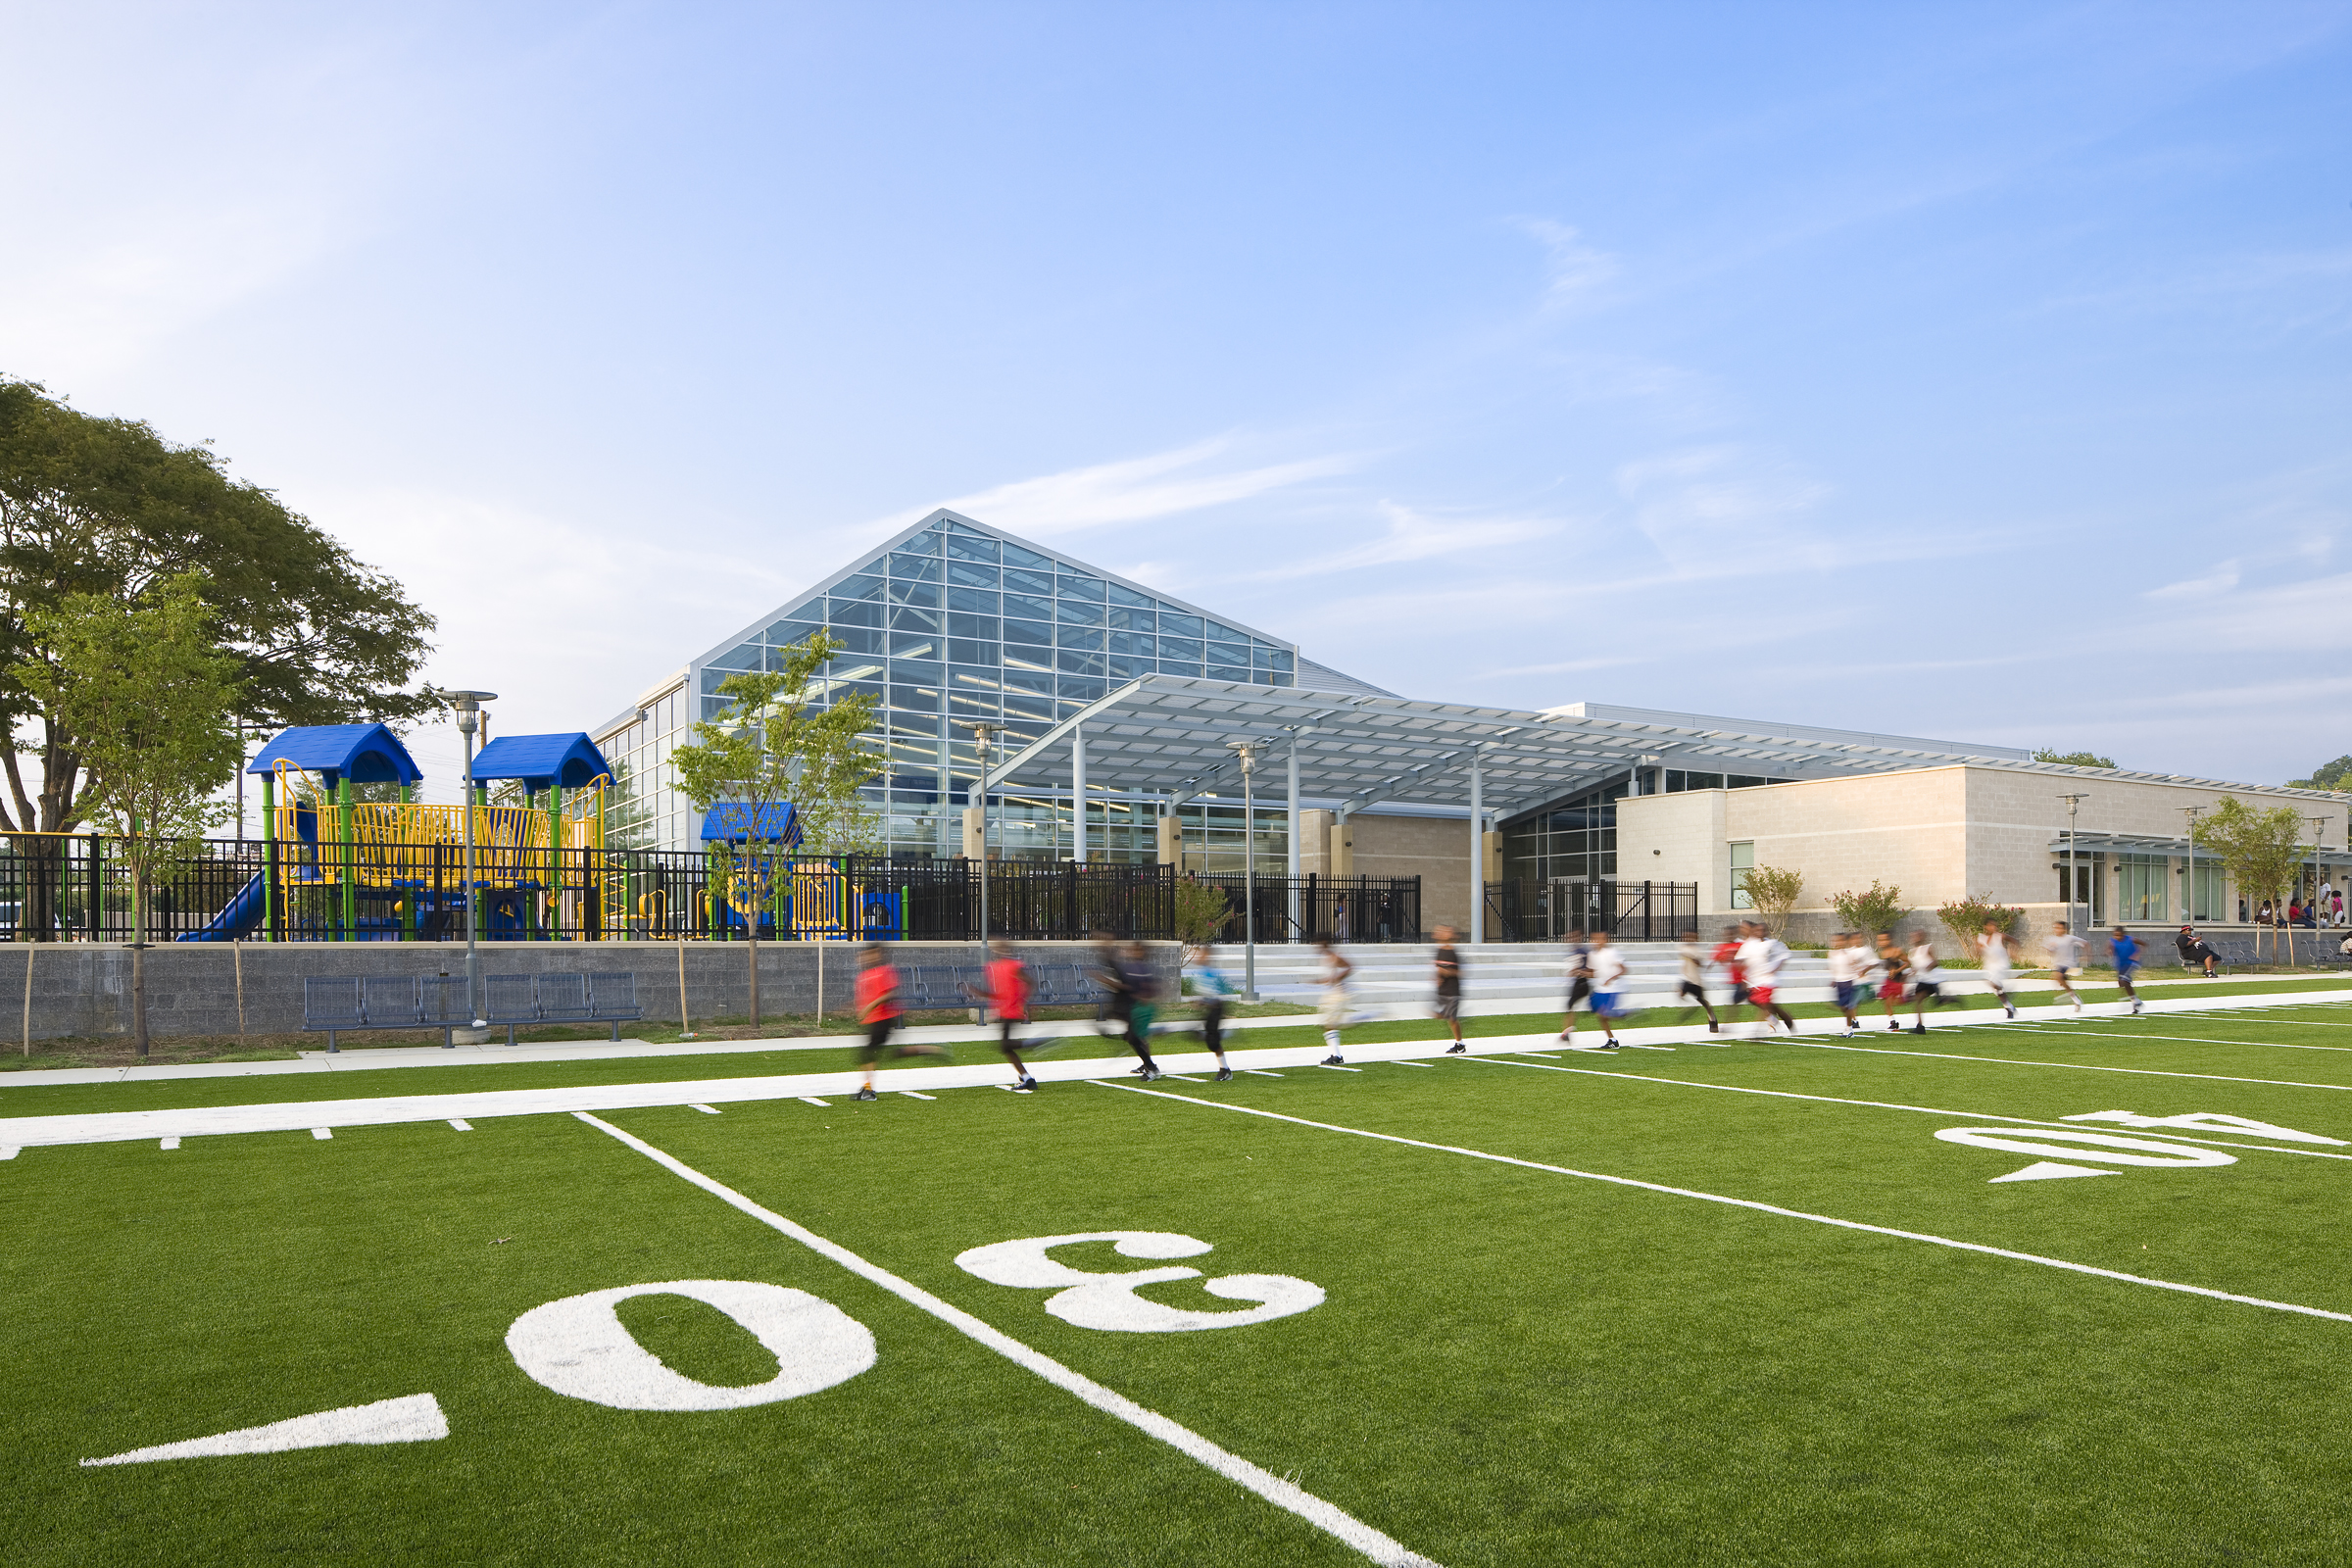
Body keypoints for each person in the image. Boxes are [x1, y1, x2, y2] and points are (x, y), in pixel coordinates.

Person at [853, 944, 949, 1101]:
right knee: (895, 1053)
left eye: (871, 954)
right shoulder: (866, 974)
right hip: (872, 1019)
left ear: (878, 954)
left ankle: (868, 1090)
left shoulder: (885, 970)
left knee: (867, 1054)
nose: (867, 957)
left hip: (884, 1018)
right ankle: (933, 1049)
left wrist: (869, 1007)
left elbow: (890, 993)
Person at [966, 939, 1041, 1092]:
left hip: (1013, 1010)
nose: (998, 949)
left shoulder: (1014, 966)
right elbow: (999, 994)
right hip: (1003, 1010)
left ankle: (1033, 1045)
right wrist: (980, 993)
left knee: (1005, 1046)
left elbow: (1031, 982)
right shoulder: (994, 967)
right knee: (1006, 1047)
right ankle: (1027, 1078)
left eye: (1002, 947)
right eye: (997, 947)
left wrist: (1026, 1003)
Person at [1092, 936, 1163, 1081]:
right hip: (1133, 1006)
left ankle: (1151, 1067)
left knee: (1135, 1037)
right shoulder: (1134, 967)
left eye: (1136, 950)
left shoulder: (1140, 968)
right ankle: (1149, 1065)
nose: (1132, 952)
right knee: (1135, 1037)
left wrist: (1106, 981)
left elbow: (1129, 985)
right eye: (1132, 949)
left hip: (1141, 1008)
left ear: (1143, 952)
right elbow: (1119, 971)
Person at [1182, 943, 1237, 1081]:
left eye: (1203, 954)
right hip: (1211, 1008)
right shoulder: (1202, 973)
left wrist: (1206, 1002)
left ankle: (1225, 1070)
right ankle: (1221, 1035)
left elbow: (1218, 995)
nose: (1199, 957)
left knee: (1212, 1041)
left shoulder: (1211, 973)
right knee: (1208, 1037)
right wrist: (1201, 1002)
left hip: (1217, 1008)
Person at [1737, 920, 1797, 1037]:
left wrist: (1776, 968)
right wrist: (1742, 971)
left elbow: (1785, 954)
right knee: (1756, 1001)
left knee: (1764, 1004)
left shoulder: (1773, 944)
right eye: (1757, 930)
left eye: (1763, 930)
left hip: (1769, 980)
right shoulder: (1749, 945)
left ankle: (1757, 1033)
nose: (1760, 932)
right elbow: (1740, 959)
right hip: (1754, 979)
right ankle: (1785, 1017)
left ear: (1767, 932)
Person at [1587, 930, 1629, 1048]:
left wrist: (1610, 979)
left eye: (1599, 939)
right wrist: (1581, 973)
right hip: (1599, 989)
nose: (1596, 942)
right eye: (1593, 939)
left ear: (1605, 940)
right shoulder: (1592, 955)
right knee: (1600, 1015)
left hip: (1612, 989)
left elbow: (1624, 969)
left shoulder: (1611, 953)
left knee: (1603, 1015)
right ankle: (1612, 1040)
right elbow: (1594, 973)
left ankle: (1622, 1014)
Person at [1674, 928, 1722, 1033]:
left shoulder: (1697, 950)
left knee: (1703, 1002)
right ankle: (1689, 1007)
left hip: (1696, 981)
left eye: (1690, 937)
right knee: (1680, 992)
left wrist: (1692, 957)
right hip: (1687, 978)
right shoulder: (1682, 948)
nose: (1688, 939)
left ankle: (1713, 1020)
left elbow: (1700, 963)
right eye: (1686, 936)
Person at [1315, 937, 1352, 1065]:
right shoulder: (1327, 957)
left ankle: (1337, 1056)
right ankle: (1336, 1055)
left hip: (1338, 994)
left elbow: (1349, 967)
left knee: (1329, 1024)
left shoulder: (1334, 956)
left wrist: (1336, 978)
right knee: (1327, 1024)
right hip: (1333, 993)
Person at [1432, 925, 1467, 1053]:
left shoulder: (1452, 953)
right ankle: (1459, 1025)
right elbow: (1438, 968)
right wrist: (1438, 977)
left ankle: (1460, 1045)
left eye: (1444, 931)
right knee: (1440, 1015)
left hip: (1452, 990)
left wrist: (1445, 972)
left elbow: (1459, 972)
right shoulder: (1439, 951)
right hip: (1442, 990)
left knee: (1452, 1018)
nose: (1440, 933)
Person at [1826, 931, 1866, 1037]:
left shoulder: (1850, 954)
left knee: (1847, 1006)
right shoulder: (1831, 954)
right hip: (1839, 983)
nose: (1837, 943)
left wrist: (1859, 973)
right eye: (1835, 940)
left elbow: (1857, 965)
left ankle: (1849, 1028)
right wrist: (1834, 979)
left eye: (1840, 940)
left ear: (1845, 941)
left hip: (1848, 982)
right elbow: (1834, 968)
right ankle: (1849, 1024)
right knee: (1843, 1007)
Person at [1977, 918, 2018, 1020]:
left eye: (1995, 925)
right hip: (1990, 966)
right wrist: (1978, 949)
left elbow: (2015, 941)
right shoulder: (1981, 938)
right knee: (1996, 989)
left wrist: (2012, 951)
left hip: (2002, 964)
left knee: (1993, 982)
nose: (1994, 928)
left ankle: (2006, 993)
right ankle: (2009, 1007)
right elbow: (1977, 953)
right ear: (1985, 927)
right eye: (1991, 925)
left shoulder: (2000, 936)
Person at [1557, 928, 1592, 1043]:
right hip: (1578, 982)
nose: (1570, 939)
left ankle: (1566, 1033)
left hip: (1582, 982)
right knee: (1570, 1006)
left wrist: (1578, 971)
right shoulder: (1576, 950)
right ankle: (1566, 1033)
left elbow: (1589, 968)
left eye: (1573, 937)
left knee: (1570, 1005)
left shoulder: (1583, 951)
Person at [1906, 930, 1944, 1033]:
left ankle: (1920, 1026)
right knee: (1918, 1000)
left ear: (1922, 937)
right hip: (1923, 980)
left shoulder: (1927, 948)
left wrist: (1928, 967)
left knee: (1918, 1000)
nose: (1914, 938)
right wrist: (1908, 974)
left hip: (1932, 980)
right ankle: (1920, 1026)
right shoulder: (1912, 952)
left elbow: (1936, 962)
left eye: (1917, 936)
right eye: (1913, 936)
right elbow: (1915, 967)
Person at [2047, 920, 2086, 1013]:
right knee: (2059, 979)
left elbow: (2085, 943)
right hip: (2058, 963)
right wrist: (2051, 948)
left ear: (2065, 929)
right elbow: (2050, 952)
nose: (2057, 930)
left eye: (2060, 928)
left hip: (2068, 962)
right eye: (2056, 928)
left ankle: (2061, 992)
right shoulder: (2052, 939)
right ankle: (2076, 1000)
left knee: (2057, 977)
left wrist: (2086, 955)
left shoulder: (2069, 938)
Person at [1874, 931, 1910, 1030]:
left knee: (1896, 1001)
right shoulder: (1882, 953)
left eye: (1884, 939)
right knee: (1886, 1001)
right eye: (1880, 940)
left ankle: (1909, 998)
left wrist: (1897, 970)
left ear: (1890, 940)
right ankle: (1892, 1021)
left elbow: (1908, 962)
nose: (1882, 942)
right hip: (1889, 980)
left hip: (1898, 980)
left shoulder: (1897, 951)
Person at [1712, 926, 1748, 1012]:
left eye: (1730, 934)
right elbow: (1718, 958)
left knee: (1734, 1003)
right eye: (1726, 935)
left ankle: (1727, 1025)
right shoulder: (1722, 947)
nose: (1728, 937)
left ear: (1735, 935)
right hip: (1736, 980)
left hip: (1743, 980)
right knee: (1754, 1000)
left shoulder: (1740, 945)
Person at [2111, 925, 2143, 1013]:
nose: (2118, 937)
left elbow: (2144, 944)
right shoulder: (2112, 941)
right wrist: (2108, 952)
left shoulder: (2131, 939)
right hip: (2121, 965)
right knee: (2121, 983)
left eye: (2119, 935)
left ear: (2123, 934)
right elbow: (2109, 950)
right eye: (2116, 935)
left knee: (2124, 980)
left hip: (2132, 963)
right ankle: (2136, 1002)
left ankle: (2136, 1002)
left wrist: (2137, 954)